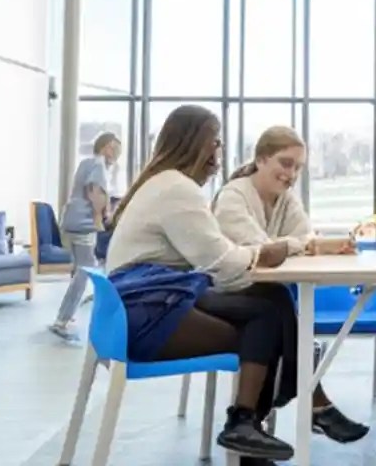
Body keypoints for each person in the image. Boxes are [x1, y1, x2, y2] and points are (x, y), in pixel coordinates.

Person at [104, 105, 295, 463]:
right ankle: (256, 417)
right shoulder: (178, 189)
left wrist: (252, 254)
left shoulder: (163, 183)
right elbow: (220, 263)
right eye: (215, 142)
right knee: (267, 329)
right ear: (195, 143)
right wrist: (261, 254)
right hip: (145, 312)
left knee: (272, 302)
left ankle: (255, 419)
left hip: (146, 299)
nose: (219, 153)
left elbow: (213, 257)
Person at [211, 125, 370, 444]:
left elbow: (303, 236)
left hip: (256, 290)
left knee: (276, 303)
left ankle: (254, 425)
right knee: (276, 303)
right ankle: (313, 399)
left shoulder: (285, 199)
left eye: (298, 167)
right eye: (285, 163)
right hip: (219, 289)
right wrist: (303, 244)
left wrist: (302, 244)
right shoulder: (233, 196)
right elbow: (264, 249)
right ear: (260, 159)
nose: (292, 174)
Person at [48, 131, 122, 341]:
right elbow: (95, 193)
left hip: (70, 221)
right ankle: (62, 319)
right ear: (106, 147)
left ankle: (66, 314)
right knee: (86, 270)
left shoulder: (86, 162)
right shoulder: (99, 165)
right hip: (84, 224)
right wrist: (102, 217)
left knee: (80, 270)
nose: (117, 154)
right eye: (115, 149)